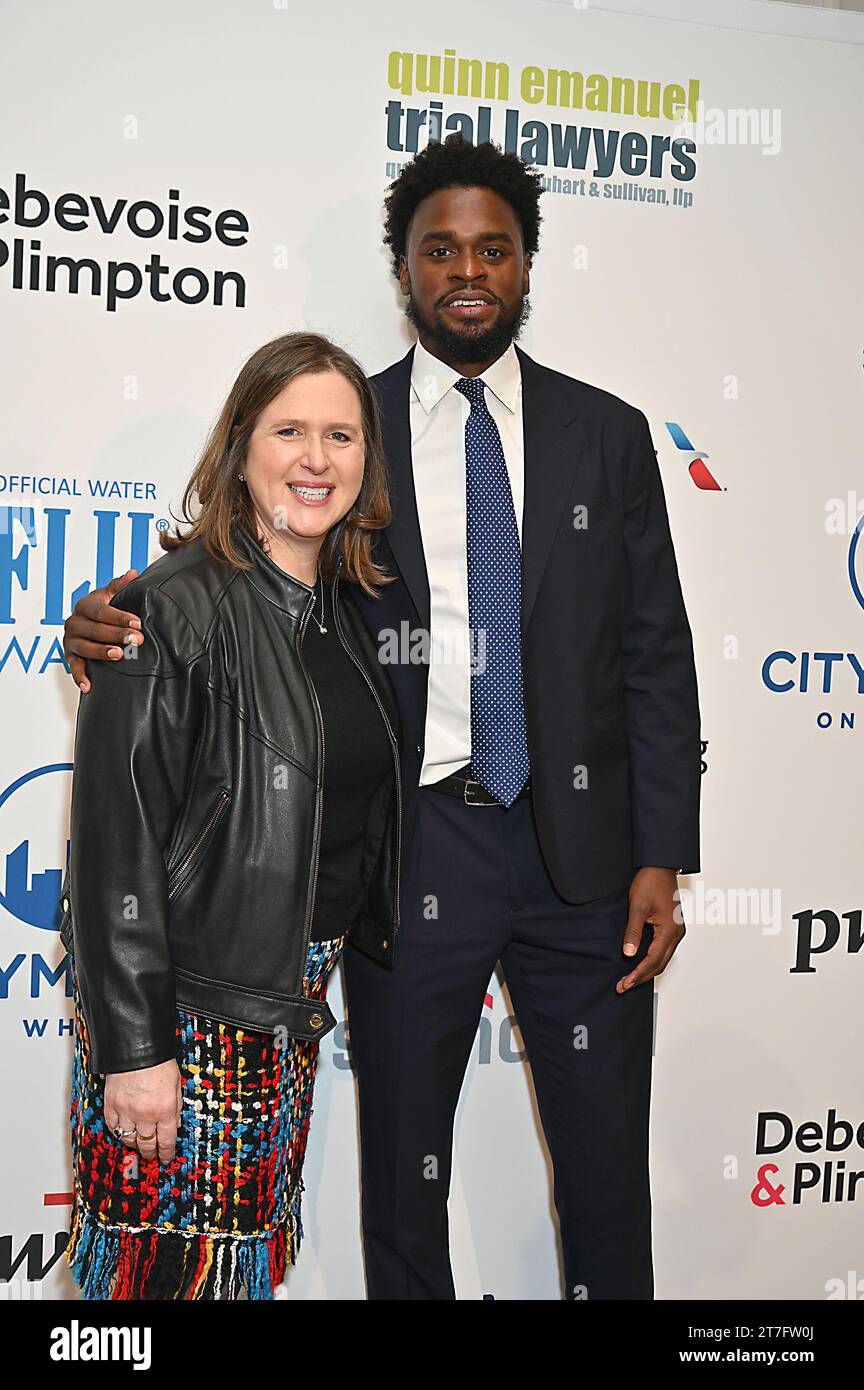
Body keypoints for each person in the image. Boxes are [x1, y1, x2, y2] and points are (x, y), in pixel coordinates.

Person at [63, 133, 701, 1300]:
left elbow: (655, 651)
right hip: (410, 856)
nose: (468, 270)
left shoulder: (606, 434)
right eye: (439, 248)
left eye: (493, 250)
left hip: (589, 865)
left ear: (526, 266)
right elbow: (254, 586)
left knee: (608, 1172)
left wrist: (664, 851)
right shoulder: (350, 424)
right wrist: (101, 619)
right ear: (402, 269)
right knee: (405, 1178)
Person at [59, 331, 400, 1300]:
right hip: (186, 1011)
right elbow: (115, 846)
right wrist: (137, 1051)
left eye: (341, 434)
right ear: (241, 443)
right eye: (290, 429)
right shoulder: (166, 607)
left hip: (278, 1006)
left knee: (235, 1280)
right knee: (157, 1292)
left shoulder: (342, 607)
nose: (317, 458)